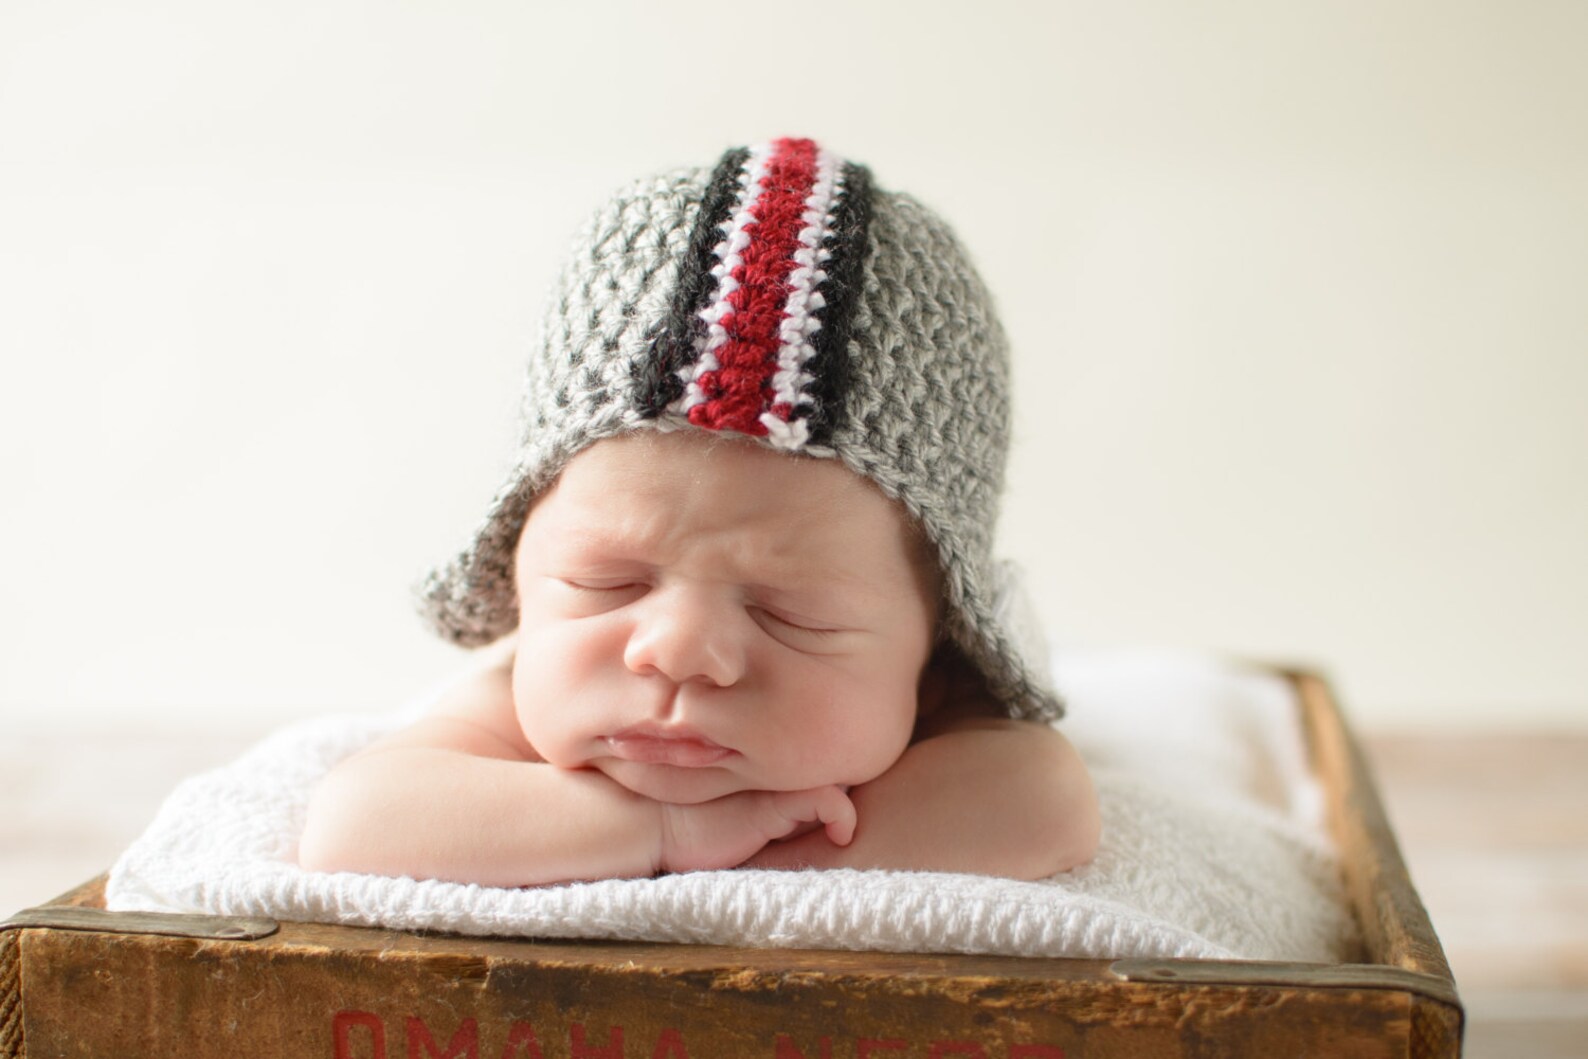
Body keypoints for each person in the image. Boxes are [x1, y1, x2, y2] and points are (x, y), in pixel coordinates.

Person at [297, 137, 1100, 887]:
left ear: (936, 648)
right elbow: (357, 823)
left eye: (793, 613)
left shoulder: (941, 699)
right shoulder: (518, 697)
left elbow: (1046, 801)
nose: (678, 650)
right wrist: (661, 832)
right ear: (521, 568)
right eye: (606, 582)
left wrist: (777, 863)